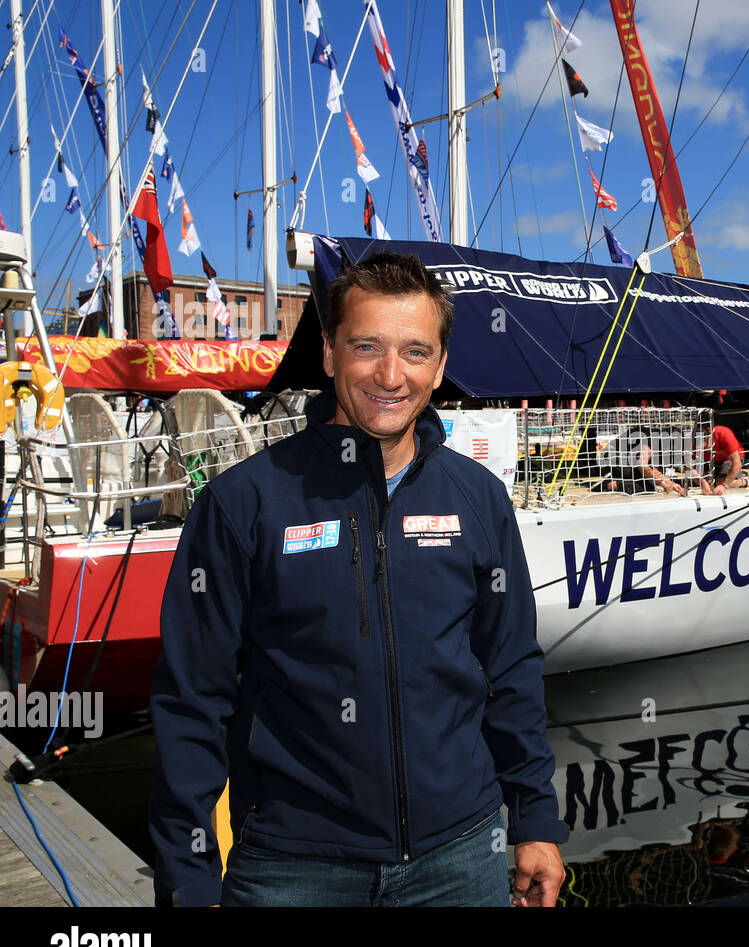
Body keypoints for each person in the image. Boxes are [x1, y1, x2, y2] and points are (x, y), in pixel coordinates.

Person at [148, 252, 566, 907]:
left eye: (415, 351)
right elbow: (190, 703)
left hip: (462, 858)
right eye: (366, 346)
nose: (391, 375)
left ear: (441, 365)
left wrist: (536, 820)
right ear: (328, 354)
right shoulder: (243, 504)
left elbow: (511, 668)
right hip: (293, 868)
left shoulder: (478, 498)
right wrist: (188, 877)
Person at [699, 424, 749, 494]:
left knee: (719, 483)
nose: (705, 450)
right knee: (706, 482)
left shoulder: (723, 433)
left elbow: (737, 463)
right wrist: (702, 481)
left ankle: (745, 481)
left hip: (730, 458)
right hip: (713, 460)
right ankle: (737, 475)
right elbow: (688, 467)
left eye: (705, 448)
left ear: (709, 437)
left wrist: (724, 485)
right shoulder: (693, 440)